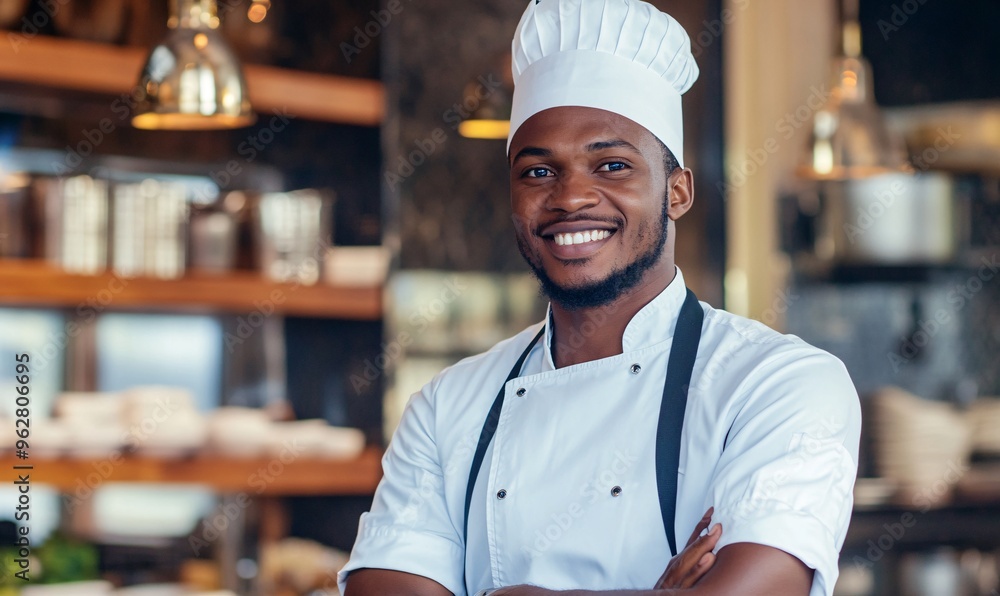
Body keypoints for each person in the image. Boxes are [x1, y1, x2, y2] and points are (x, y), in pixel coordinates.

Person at [339, 0, 861, 594]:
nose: (570, 198)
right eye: (538, 172)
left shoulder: (777, 384)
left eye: (612, 165)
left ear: (677, 191)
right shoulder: (447, 406)